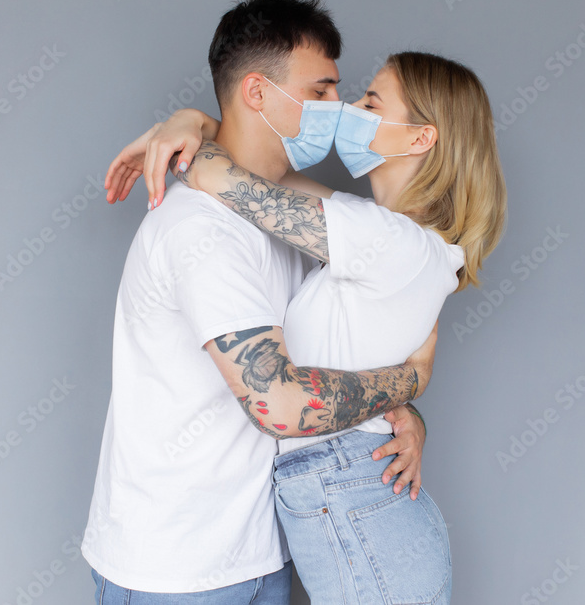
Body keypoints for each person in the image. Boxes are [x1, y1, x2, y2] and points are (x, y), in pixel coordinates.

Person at [108, 51, 507, 603]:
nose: (346, 111)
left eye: (371, 102)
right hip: (351, 494)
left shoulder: (387, 242)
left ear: (420, 138)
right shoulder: (387, 237)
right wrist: (192, 121)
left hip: (353, 495)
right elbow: (260, 178)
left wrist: (187, 131)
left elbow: (224, 179)